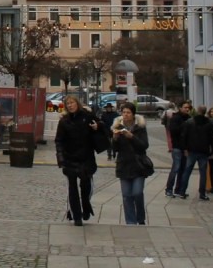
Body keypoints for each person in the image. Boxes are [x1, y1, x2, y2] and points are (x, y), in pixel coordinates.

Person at [55, 95, 105, 226]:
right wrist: (60, 158)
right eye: (68, 104)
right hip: (69, 158)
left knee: (86, 186)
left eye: (72, 103)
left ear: (77, 103)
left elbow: (101, 125)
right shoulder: (64, 121)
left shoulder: (87, 116)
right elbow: (59, 140)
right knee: (72, 189)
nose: (70, 105)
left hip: (86, 157)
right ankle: (76, 215)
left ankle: (86, 206)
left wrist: (97, 126)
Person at [111, 101, 151, 225]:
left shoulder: (140, 127)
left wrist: (131, 137)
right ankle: (130, 221)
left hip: (138, 165)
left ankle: (140, 217)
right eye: (123, 112)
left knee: (137, 193)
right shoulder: (118, 127)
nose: (126, 115)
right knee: (127, 195)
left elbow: (144, 146)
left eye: (128, 112)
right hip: (124, 164)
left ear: (133, 114)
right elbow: (115, 149)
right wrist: (115, 139)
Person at [182, 106, 213, 200]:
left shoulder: (189, 122)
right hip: (203, 150)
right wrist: (212, 149)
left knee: (187, 171)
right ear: (206, 112)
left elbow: (184, 136)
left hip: (191, 150)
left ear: (197, 111)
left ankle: (182, 191)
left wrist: (185, 148)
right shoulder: (209, 123)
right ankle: (202, 193)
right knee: (203, 173)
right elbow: (212, 138)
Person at [164, 100, 193, 199]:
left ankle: (179, 189)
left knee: (183, 169)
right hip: (177, 147)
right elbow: (173, 131)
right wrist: (184, 125)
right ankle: (169, 189)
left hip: (186, 147)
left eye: (188, 108)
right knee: (175, 168)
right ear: (180, 108)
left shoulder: (189, 118)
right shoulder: (175, 118)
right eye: (185, 107)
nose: (187, 109)